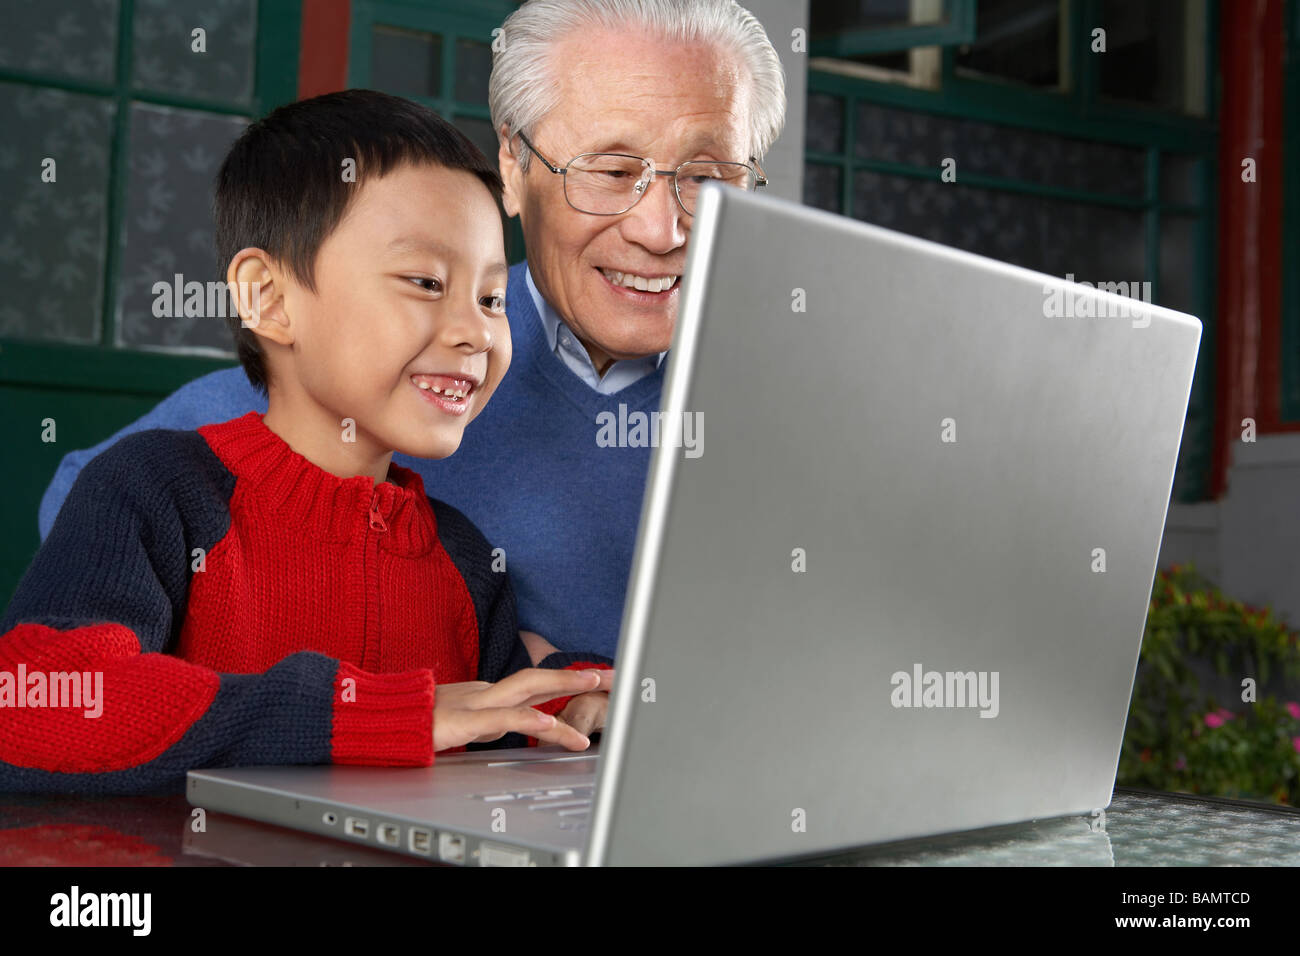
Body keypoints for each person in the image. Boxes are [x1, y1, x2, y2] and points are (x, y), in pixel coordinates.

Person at [37, 0, 786, 668]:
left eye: (709, 176)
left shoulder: (800, 397)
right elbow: (94, 527)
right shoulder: (394, 368)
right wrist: (322, 707)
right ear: (514, 165)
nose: (662, 229)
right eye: (613, 171)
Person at [0, 90, 613, 794]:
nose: (475, 332)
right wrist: (369, 716)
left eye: (492, 298)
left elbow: (488, 712)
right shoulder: (154, 490)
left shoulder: (465, 559)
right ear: (270, 299)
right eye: (424, 282)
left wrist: (574, 692)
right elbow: (34, 701)